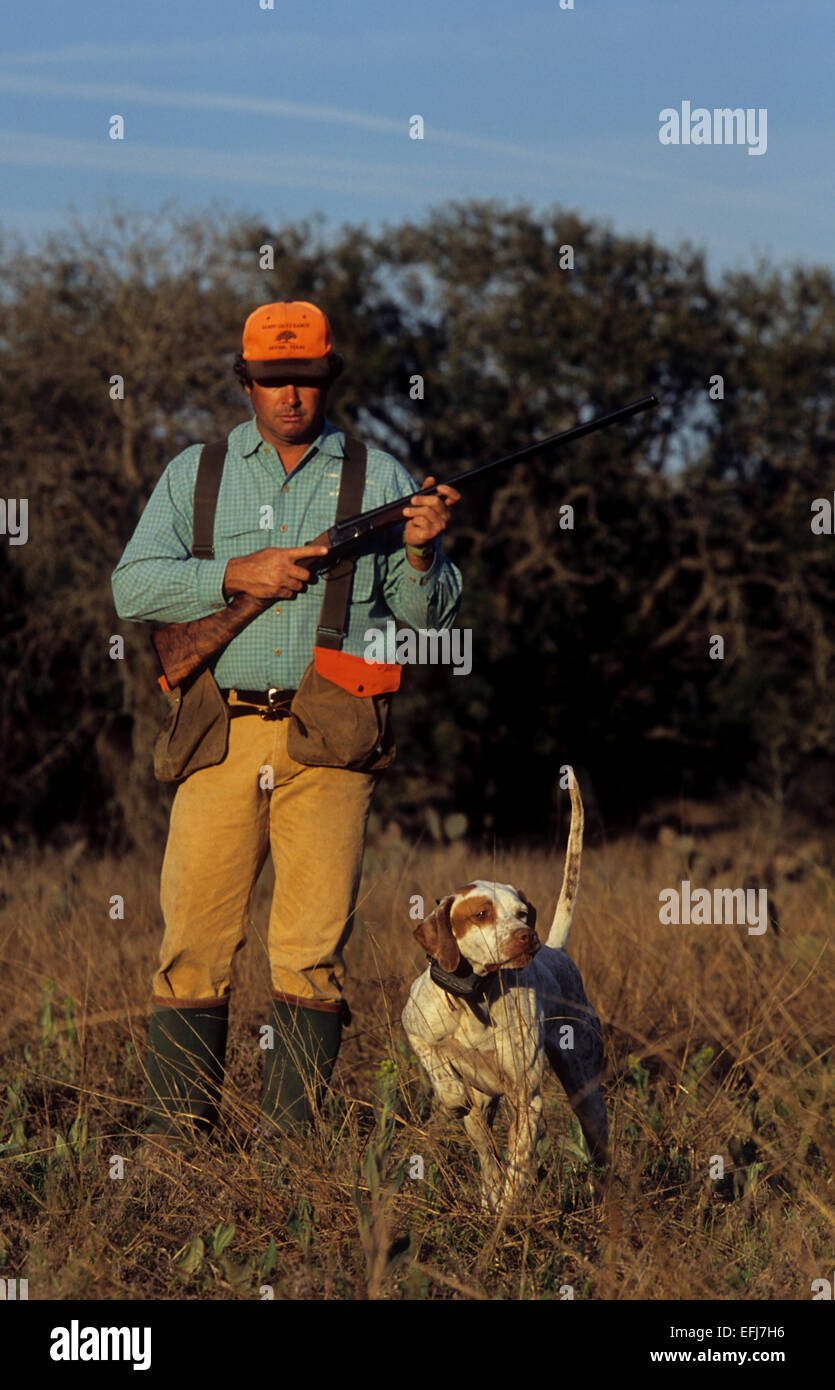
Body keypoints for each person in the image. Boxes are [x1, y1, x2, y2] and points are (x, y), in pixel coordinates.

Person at [111, 300, 462, 1149]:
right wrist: (241, 573)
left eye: (304, 378)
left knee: (309, 952)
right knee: (193, 941)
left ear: (328, 378)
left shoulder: (381, 479)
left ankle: (287, 1160)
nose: (290, 396)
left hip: (330, 740)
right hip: (219, 735)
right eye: (272, 380)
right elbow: (133, 589)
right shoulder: (193, 474)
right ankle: (172, 1151)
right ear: (246, 382)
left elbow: (425, 618)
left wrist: (421, 552)